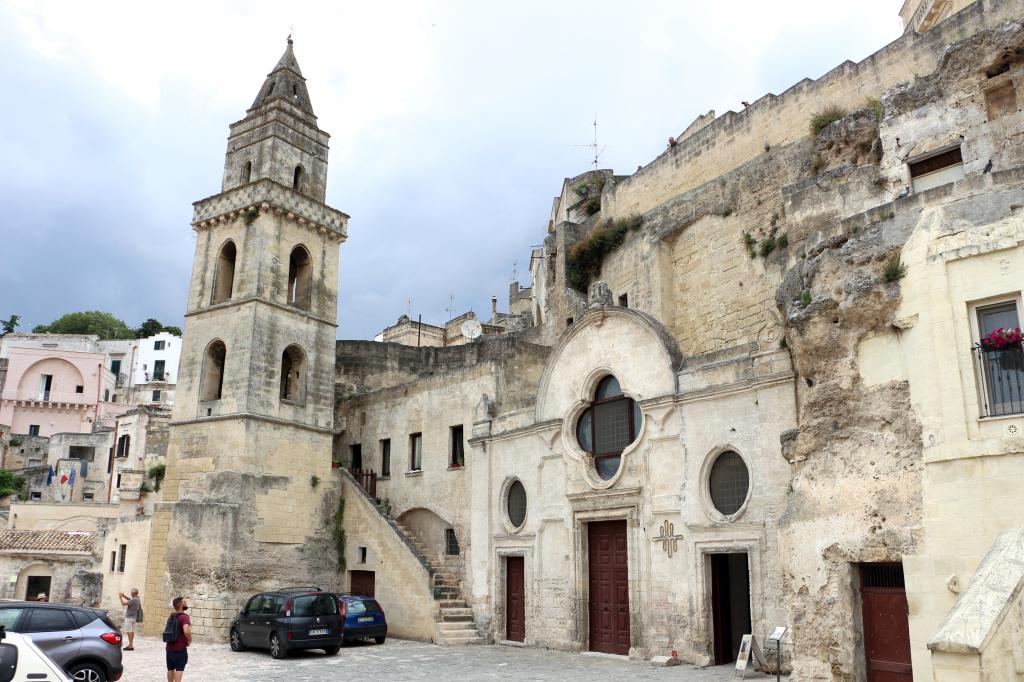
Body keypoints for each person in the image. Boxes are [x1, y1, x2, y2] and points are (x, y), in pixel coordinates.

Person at [165, 596, 191, 681]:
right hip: (180, 648)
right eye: (184, 601)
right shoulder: (184, 617)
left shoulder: (171, 616)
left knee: (170, 669)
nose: (186, 602)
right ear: (181, 605)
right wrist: (189, 639)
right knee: (179, 669)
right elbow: (186, 631)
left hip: (169, 648)